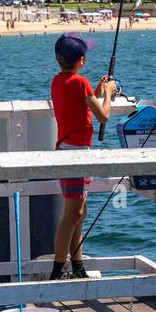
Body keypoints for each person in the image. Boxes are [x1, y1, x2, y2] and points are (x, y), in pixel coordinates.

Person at [50, 33, 116, 279]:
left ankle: (77, 265)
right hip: (77, 154)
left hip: (65, 151)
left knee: (79, 211)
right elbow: (104, 116)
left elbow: (79, 104)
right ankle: (58, 269)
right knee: (72, 214)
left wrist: (96, 90)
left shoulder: (58, 81)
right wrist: (108, 92)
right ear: (81, 60)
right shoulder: (81, 83)